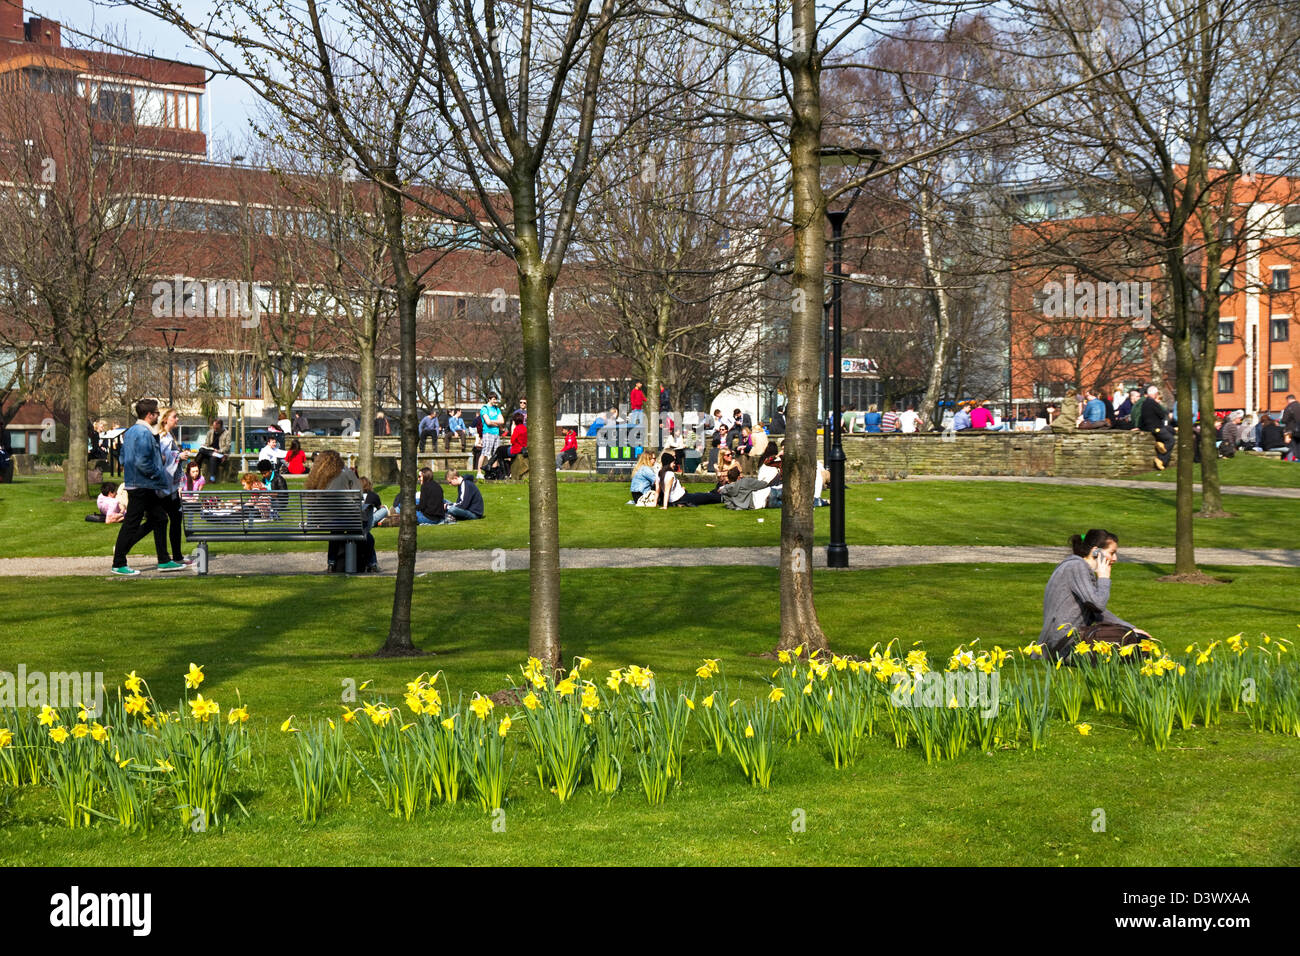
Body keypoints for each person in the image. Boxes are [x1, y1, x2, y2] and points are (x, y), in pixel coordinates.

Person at [1039, 529, 1151, 661]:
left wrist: (1131, 629)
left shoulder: (1079, 568)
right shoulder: (1076, 567)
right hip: (1063, 642)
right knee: (1137, 647)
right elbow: (1097, 605)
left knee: (1140, 641)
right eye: (1112, 553)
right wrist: (1103, 578)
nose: (1115, 558)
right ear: (1096, 551)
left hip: (1069, 638)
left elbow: (1097, 613)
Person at [112, 399, 183, 575]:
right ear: (149, 415)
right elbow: (143, 462)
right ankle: (119, 562)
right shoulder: (144, 433)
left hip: (139, 483)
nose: (158, 416)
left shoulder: (130, 432)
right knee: (131, 523)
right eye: (157, 413)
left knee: (159, 518)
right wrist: (158, 473)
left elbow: (122, 457)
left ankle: (164, 560)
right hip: (142, 485)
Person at [304, 450, 378, 573]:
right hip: (348, 519)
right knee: (367, 535)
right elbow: (358, 495)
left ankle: (331, 563)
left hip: (325, 521)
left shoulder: (316, 477)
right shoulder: (347, 474)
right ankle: (372, 563)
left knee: (335, 532)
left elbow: (313, 502)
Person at [154, 407, 194, 568]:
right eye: (174, 417)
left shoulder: (169, 436)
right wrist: (179, 456)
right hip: (164, 487)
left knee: (176, 518)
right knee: (158, 522)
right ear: (165, 419)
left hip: (170, 487)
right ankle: (123, 549)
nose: (177, 419)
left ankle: (176, 555)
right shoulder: (163, 438)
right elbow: (161, 459)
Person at [1139, 385, 1174, 470]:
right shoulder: (1153, 403)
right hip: (1156, 428)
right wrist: (1158, 404)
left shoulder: (1145, 403)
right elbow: (1162, 415)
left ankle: (1161, 445)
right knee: (1171, 440)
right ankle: (1161, 459)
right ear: (1155, 394)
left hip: (1150, 427)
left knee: (1171, 430)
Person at [477, 394, 505, 478]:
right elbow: (487, 422)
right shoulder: (484, 408)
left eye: (496, 399)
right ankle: (479, 472)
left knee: (495, 453)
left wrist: (492, 421)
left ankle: (493, 472)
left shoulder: (497, 409)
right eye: (493, 399)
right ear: (489, 399)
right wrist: (497, 422)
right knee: (485, 452)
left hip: (496, 433)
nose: (495, 401)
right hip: (488, 433)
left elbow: (502, 421)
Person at [197, 418, 231, 482]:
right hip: (210, 451)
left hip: (220, 453)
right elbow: (207, 443)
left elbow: (228, 446)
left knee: (213, 457)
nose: (215, 429)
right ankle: (196, 473)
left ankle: (212, 478)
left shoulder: (227, 433)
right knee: (201, 451)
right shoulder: (210, 432)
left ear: (221, 426)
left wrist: (219, 451)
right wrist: (205, 445)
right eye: (214, 427)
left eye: (216, 428)